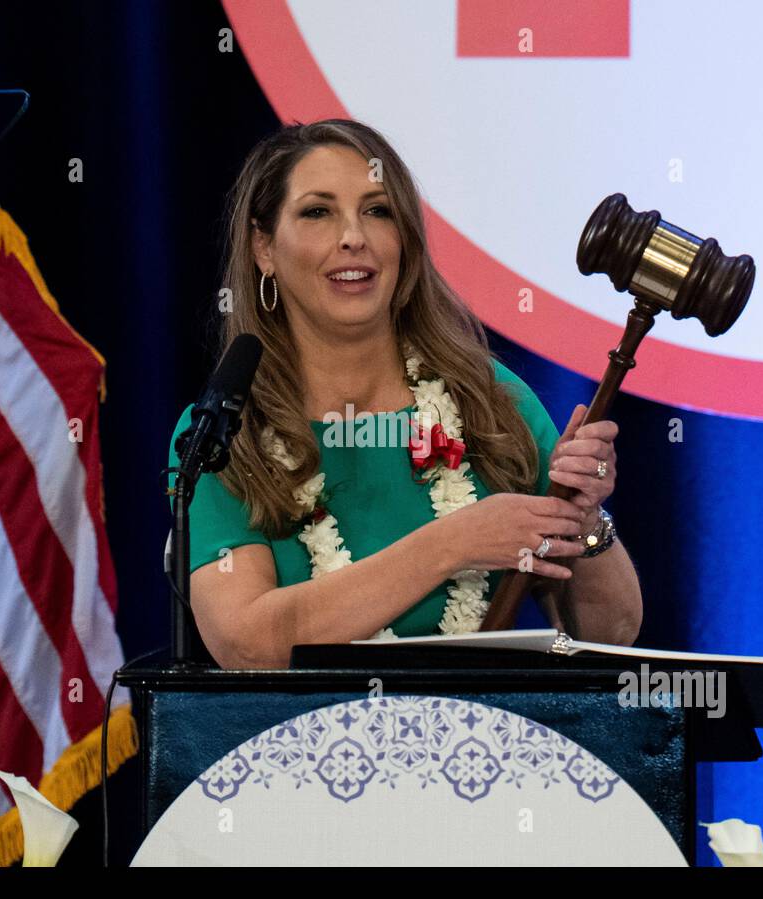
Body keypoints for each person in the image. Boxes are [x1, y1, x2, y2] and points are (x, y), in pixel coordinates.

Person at [168, 119, 642, 669]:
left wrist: (585, 528)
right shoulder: (221, 433)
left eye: (378, 210)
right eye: (317, 212)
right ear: (263, 246)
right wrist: (453, 545)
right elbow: (247, 644)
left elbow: (614, 634)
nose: (354, 237)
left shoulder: (489, 400)